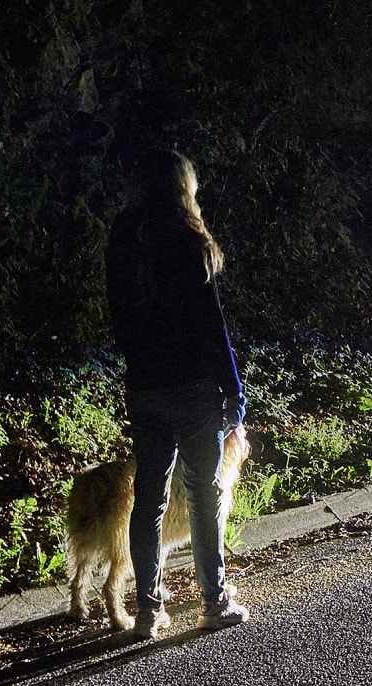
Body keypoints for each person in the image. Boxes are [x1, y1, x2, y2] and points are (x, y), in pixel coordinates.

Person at [105, 149, 250, 639]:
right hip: (193, 388)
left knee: (149, 498)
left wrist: (141, 363)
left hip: (144, 386)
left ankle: (148, 611)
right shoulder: (190, 239)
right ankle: (214, 601)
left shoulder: (122, 238)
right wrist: (233, 387)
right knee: (203, 494)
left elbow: (120, 325)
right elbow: (213, 325)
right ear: (182, 188)